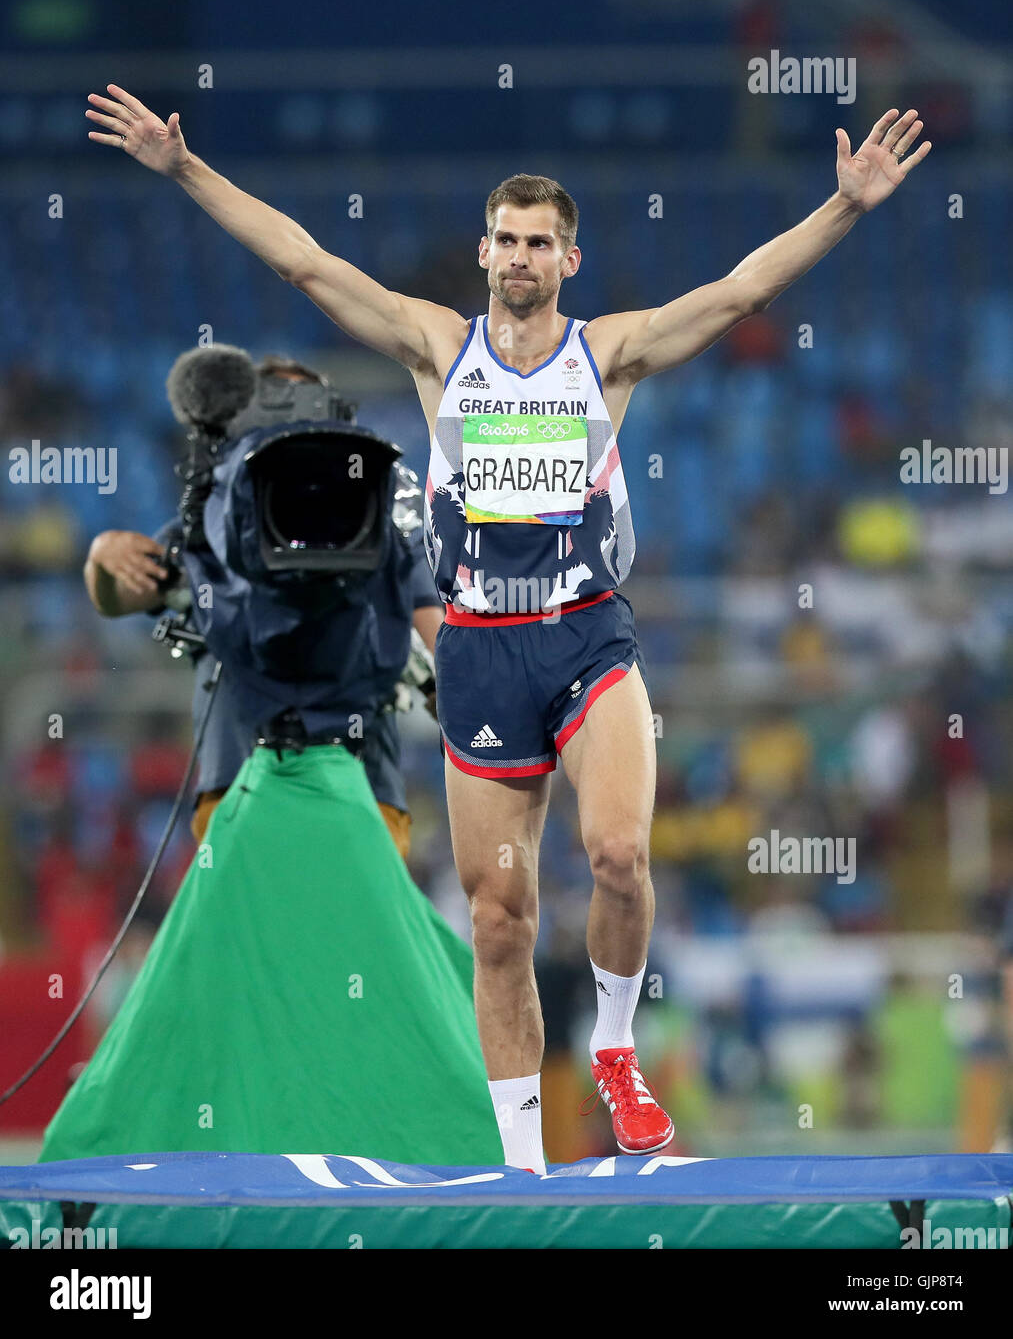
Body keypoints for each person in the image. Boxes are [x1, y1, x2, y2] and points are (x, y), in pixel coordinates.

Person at [86, 84, 930, 1170]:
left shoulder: (606, 355)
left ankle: (617, 1055)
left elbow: (736, 291)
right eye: (504, 238)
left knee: (620, 855)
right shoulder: (438, 351)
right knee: (499, 916)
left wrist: (845, 207)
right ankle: (522, 1164)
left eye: (539, 241)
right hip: (480, 652)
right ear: (482, 252)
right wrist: (182, 167)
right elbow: (301, 261)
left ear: (566, 260)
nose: (519, 255)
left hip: (585, 636)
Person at [84, 353, 443, 857]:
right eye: (269, 409)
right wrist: (103, 556)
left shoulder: (380, 518)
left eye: (304, 409)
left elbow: (438, 634)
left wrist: (455, 689)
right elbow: (119, 596)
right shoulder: (209, 525)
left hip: (365, 791)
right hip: (238, 786)